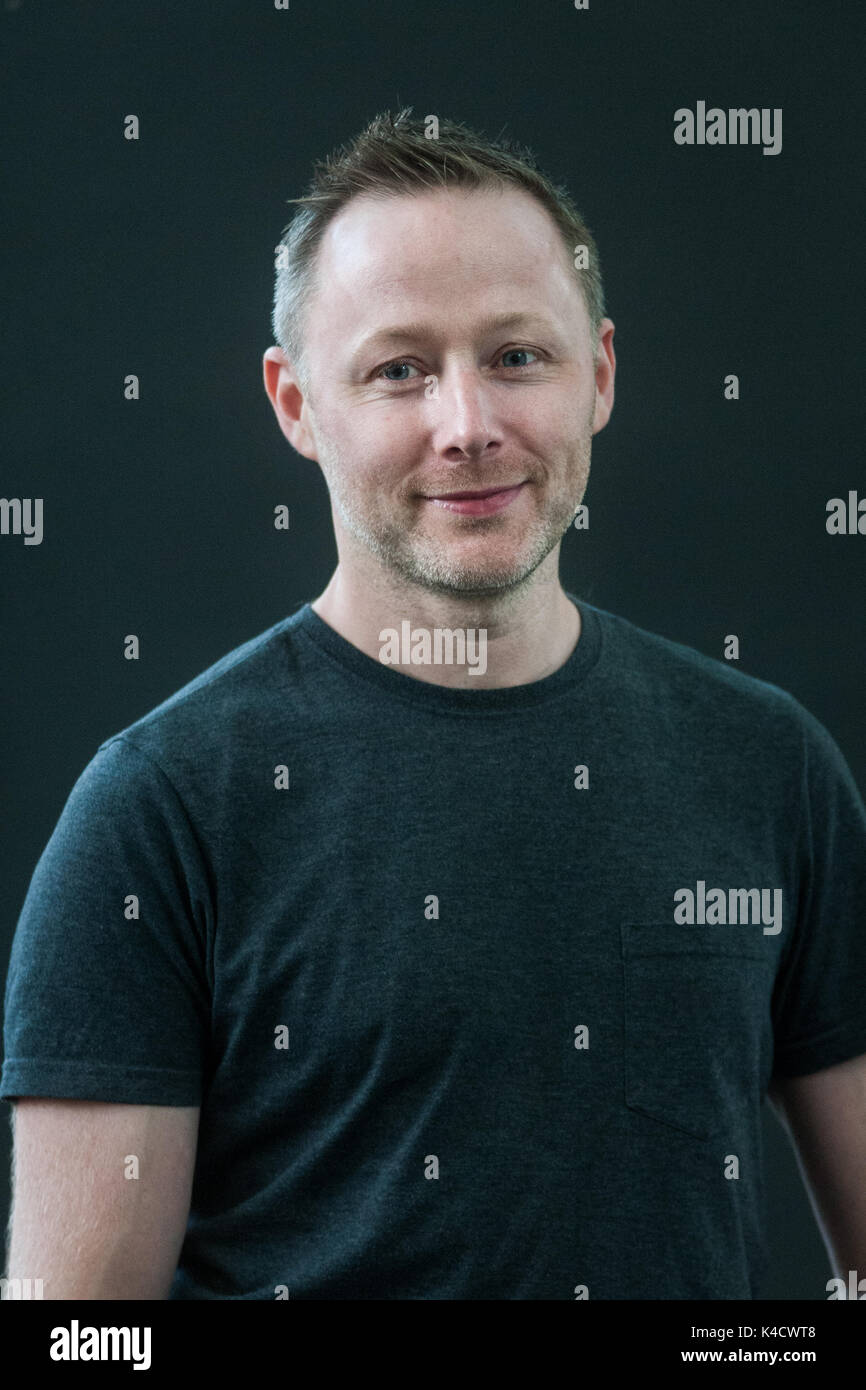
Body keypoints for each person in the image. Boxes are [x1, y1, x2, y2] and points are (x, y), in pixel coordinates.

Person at [3, 108, 866, 1301]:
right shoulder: (158, 810)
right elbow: (76, 1335)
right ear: (297, 405)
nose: (467, 425)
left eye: (516, 356)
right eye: (398, 369)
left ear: (598, 374)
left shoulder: (767, 762)